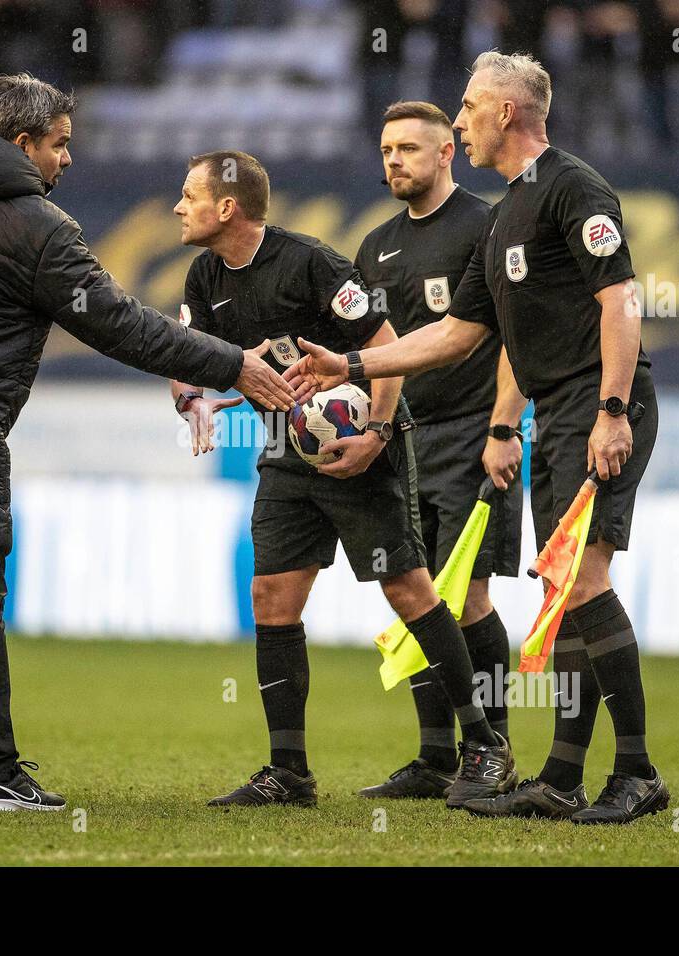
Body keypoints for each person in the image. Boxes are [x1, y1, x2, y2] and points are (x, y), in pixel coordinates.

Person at [0, 73, 295, 813]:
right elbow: (124, 326)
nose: (67, 160)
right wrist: (234, 363)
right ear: (20, 144)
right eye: (60, 144)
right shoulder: (38, 229)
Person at [286, 52, 669, 825]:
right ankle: (562, 778)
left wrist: (613, 409)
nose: (458, 120)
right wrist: (350, 360)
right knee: (565, 594)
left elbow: (621, 301)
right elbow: (455, 334)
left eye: (466, 106)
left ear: (506, 113)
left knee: (585, 584)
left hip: (596, 407)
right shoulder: (504, 220)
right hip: (555, 412)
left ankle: (637, 773)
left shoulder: (573, 187)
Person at [170, 150, 516, 809]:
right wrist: (192, 401)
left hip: (362, 448)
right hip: (283, 453)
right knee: (271, 597)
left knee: (410, 591)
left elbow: (386, 347)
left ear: (227, 208)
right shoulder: (202, 275)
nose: (177, 207)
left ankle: (484, 747)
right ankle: (289, 774)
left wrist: (377, 434)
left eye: (189, 196)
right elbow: (187, 354)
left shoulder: (312, 263)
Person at [352, 101, 523, 801]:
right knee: (418, 598)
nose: (395, 161)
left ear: (446, 153)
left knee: (470, 596)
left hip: (472, 435)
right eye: (387, 149)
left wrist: (504, 428)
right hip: (404, 441)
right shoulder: (374, 247)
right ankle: (433, 758)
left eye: (410, 150)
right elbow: (373, 352)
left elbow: (516, 336)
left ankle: (494, 749)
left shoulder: (486, 227)